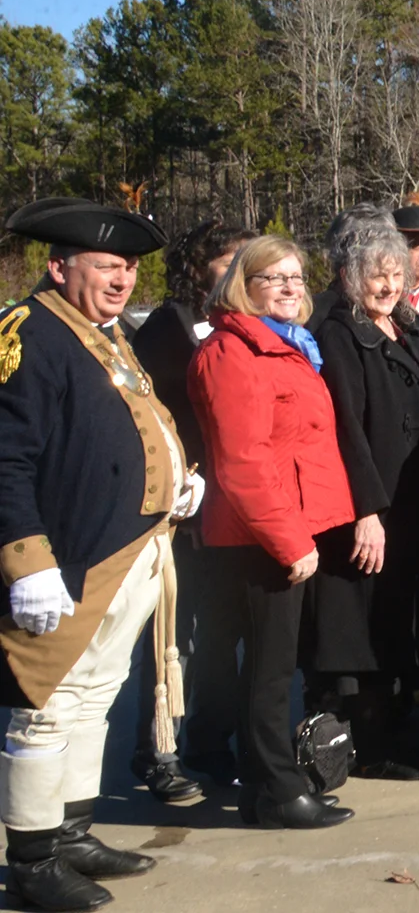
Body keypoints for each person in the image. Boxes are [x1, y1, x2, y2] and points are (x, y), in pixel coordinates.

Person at [0, 200, 196, 907]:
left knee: (94, 698)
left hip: (131, 549)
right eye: (107, 266)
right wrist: (28, 562)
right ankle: (30, 857)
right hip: (69, 560)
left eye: (129, 268)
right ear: (59, 267)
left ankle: (72, 831)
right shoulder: (31, 333)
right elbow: (7, 458)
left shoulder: (105, 334)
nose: (122, 280)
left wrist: (180, 479)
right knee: (43, 710)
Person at [187, 236, 358, 829]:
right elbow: (244, 463)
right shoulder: (234, 353)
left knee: (274, 668)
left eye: (295, 277)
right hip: (260, 539)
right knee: (268, 673)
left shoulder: (285, 347)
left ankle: (269, 784)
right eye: (273, 278)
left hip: (290, 527)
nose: (290, 287)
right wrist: (291, 542)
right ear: (243, 284)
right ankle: (278, 790)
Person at [127, 218, 255, 804]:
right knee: (167, 640)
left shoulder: (248, 326)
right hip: (178, 511)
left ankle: (208, 741)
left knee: (221, 634)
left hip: (232, 510)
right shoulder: (168, 328)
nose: (238, 270)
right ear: (199, 267)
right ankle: (157, 752)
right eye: (227, 261)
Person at [309, 221, 419, 780]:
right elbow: (346, 429)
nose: (388, 285)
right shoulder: (341, 334)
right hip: (371, 511)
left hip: (412, 505)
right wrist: (367, 511)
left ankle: (394, 733)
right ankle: (365, 746)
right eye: (376, 275)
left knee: (394, 624)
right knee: (360, 635)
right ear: (348, 277)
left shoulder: (405, 328)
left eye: (395, 273)